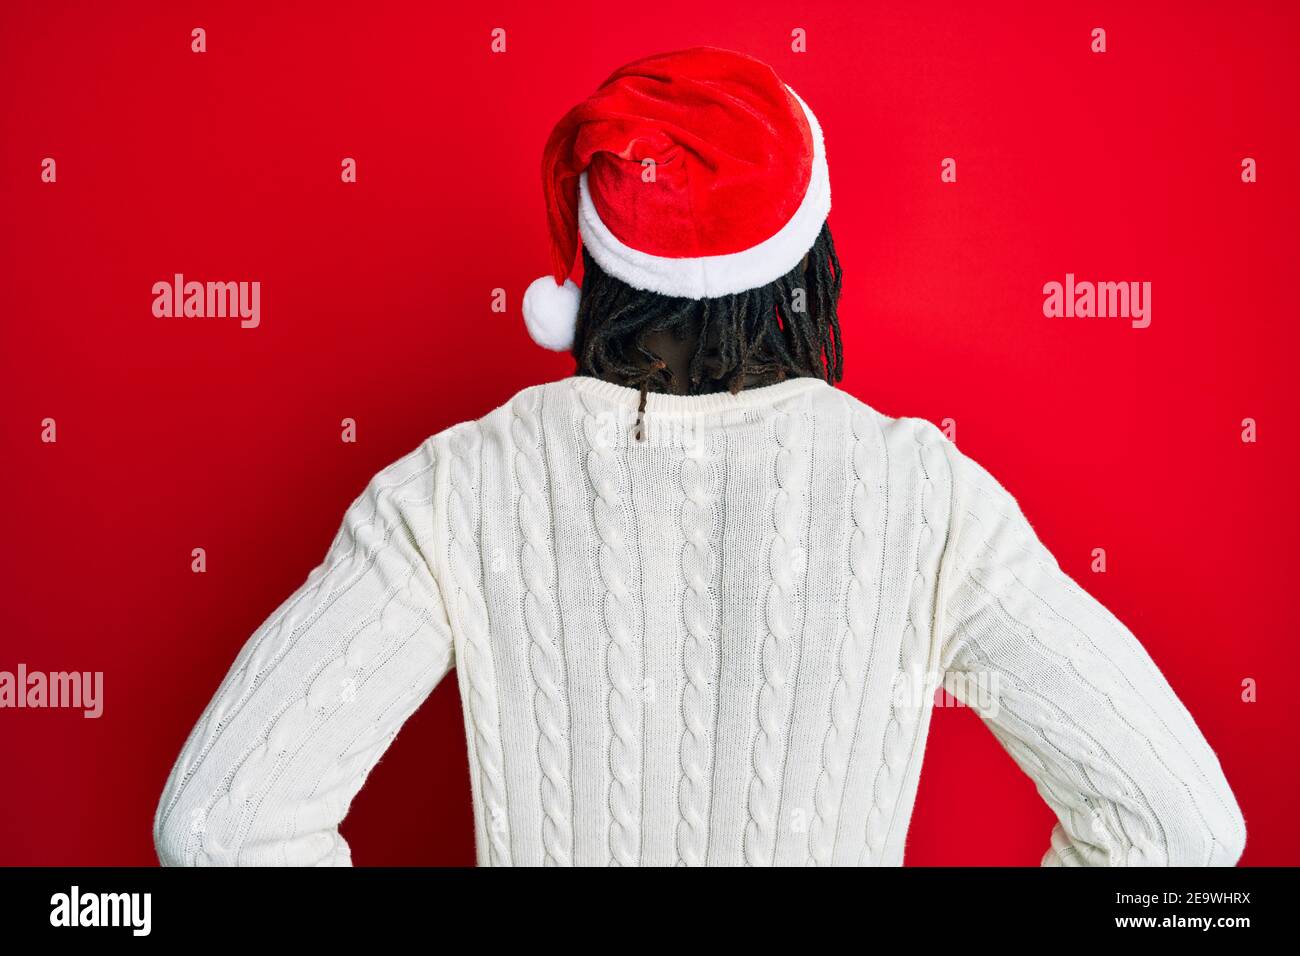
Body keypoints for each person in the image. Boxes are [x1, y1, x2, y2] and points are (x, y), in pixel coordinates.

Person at [152, 47, 1245, 867]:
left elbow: (220, 823)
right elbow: (1182, 829)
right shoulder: (925, 495)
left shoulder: (455, 487)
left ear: (596, 272)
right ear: (802, 267)